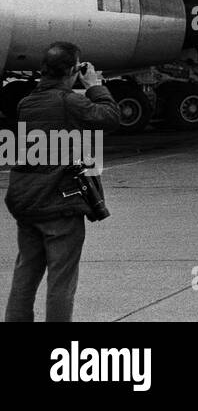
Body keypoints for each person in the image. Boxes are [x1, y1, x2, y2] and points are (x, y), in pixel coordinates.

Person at [5, 42, 120, 322]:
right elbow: (110, 117)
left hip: (26, 201)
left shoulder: (26, 103)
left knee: (26, 273)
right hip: (58, 204)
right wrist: (94, 86)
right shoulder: (69, 101)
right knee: (61, 280)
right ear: (72, 70)